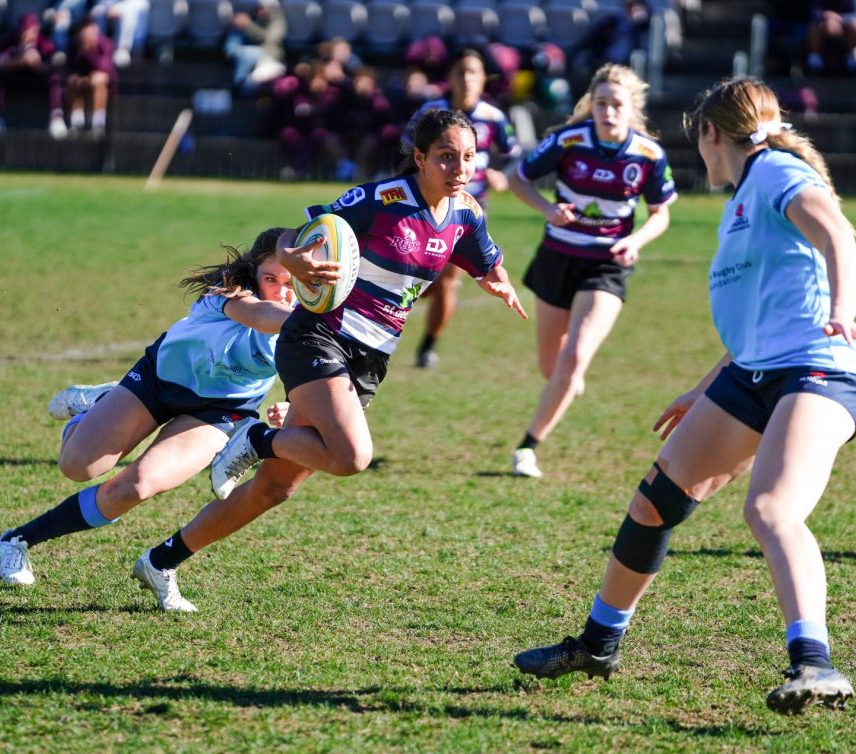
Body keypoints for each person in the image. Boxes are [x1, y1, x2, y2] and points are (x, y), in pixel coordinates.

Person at [512, 77, 856, 716]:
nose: (700, 156)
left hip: (817, 369)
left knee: (770, 510)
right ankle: (599, 644)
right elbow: (761, 316)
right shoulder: (747, 194)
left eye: (699, 141)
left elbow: (837, 235)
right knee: (656, 501)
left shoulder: (773, 172)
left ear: (712, 134)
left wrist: (843, 309)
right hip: (752, 372)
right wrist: (705, 387)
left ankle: (816, 665)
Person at [208, 108, 527, 501]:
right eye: (446, 155)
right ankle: (256, 438)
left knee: (277, 487)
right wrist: (290, 254)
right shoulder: (381, 199)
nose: (459, 168)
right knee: (351, 456)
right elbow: (302, 229)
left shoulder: (466, 212)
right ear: (421, 158)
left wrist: (499, 281)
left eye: (468, 156)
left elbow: (487, 260)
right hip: (325, 335)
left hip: (375, 353)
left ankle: (163, 558)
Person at [0, 229, 303, 610]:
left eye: (291, 282)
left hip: (219, 411)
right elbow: (264, 316)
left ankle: (18, 541)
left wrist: (292, 406)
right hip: (158, 382)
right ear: (253, 274)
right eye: (272, 279)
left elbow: (308, 379)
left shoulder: (304, 324)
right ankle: (99, 404)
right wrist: (313, 315)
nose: (282, 291)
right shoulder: (230, 294)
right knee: (77, 466)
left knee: (136, 487)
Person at [507, 63, 676, 479]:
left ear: (632, 107)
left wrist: (635, 241)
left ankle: (527, 447)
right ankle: (566, 382)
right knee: (553, 365)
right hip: (557, 257)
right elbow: (517, 178)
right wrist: (548, 209)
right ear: (592, 104)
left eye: (617, 104)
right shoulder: (568, 141)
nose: (608, 111)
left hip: (607, 264)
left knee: (575, 357)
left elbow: (661, 214)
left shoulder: (649, 155)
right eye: (601, 103)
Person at [410, 49, 520, 369]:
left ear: (484, 79)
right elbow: (407, 149)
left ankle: (427, 347)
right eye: (461, 72)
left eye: (474, 72)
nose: (467, 79)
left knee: (446, 277)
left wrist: (504, 176)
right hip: (425, 205)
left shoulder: (494, 117)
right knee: (421, 277)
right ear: (450, 77)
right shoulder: (430, 112)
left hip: (469, 210)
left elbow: (514, 155)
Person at [0, 13, 67, 140]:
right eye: (27, 30)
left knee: (54, 78)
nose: (31, 34)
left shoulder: (45, 44)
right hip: (15, 81)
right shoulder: (9, 42)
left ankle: (56, 117)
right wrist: (20, 61)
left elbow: (54, 66)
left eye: (34, 30)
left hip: (37, 82)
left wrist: (38, 65)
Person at [66, 18, 118, 138]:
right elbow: (72, 67)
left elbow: (105, 68)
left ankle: (98, 124)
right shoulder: (75, 45)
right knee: (73, 81)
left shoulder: (105, 44)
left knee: (99, 80)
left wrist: (90, 52)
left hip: (103, 82)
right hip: (82, 80)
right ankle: (76, 123)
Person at [225, 0, 287, 95]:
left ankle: (239, 85)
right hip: (247, 53)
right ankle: (240, 84)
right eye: (259, 7)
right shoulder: (253, 16)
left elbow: (270, 39)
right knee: (237, 39)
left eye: (263, 7)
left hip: (269, 57)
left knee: (248, 55)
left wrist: (248, 25)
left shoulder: (278, 21)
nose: (260, 10)